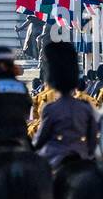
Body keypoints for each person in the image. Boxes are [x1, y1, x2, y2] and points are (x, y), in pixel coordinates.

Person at [33, 41, 98, 178]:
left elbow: (40, 140)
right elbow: (93, 140)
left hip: (55, 159)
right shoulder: (86, 107)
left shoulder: (50, 109)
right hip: (82, 156)